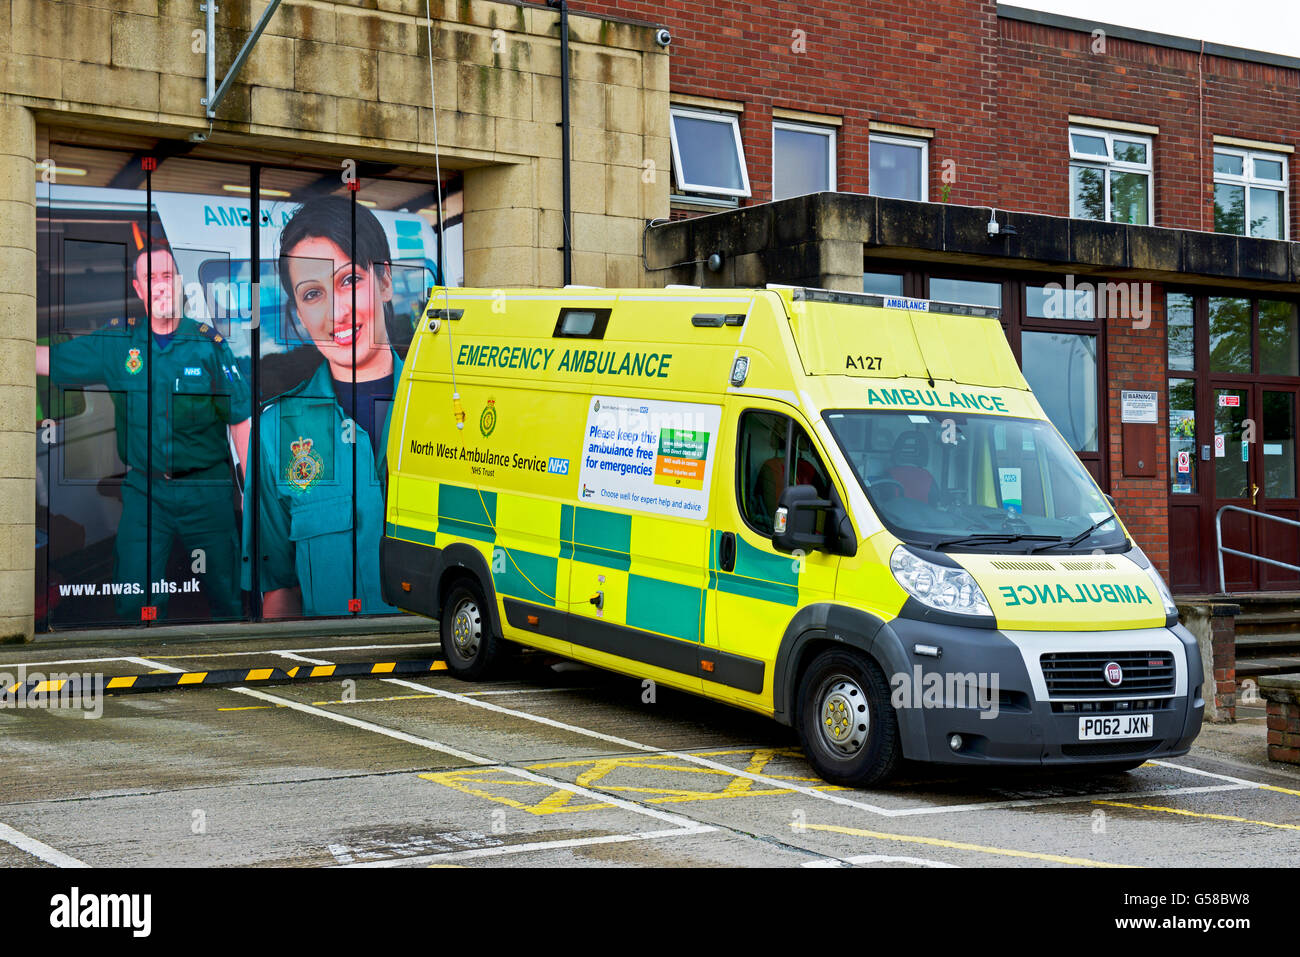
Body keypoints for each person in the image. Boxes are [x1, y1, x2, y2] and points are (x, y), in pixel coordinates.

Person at [37, 235, 252, 620]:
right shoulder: (117, 342)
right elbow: (49, 360)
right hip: (145, 491)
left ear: (179, 281)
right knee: (134, 595)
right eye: (150, 278)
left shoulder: (208, 346)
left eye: (167, 275)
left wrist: (249, 492)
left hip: (206, 489)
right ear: (139, 288)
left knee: (226, 592)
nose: (160, 284)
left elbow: (239, 419)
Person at [244, 197, 406, 618]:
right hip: (331, 677)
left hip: (436, 675)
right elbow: (280, 592)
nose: (337, 311)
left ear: (385, 280)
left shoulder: (449, 408)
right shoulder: (277, 432)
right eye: (313, 294)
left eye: (349, 280)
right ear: (298, 315)